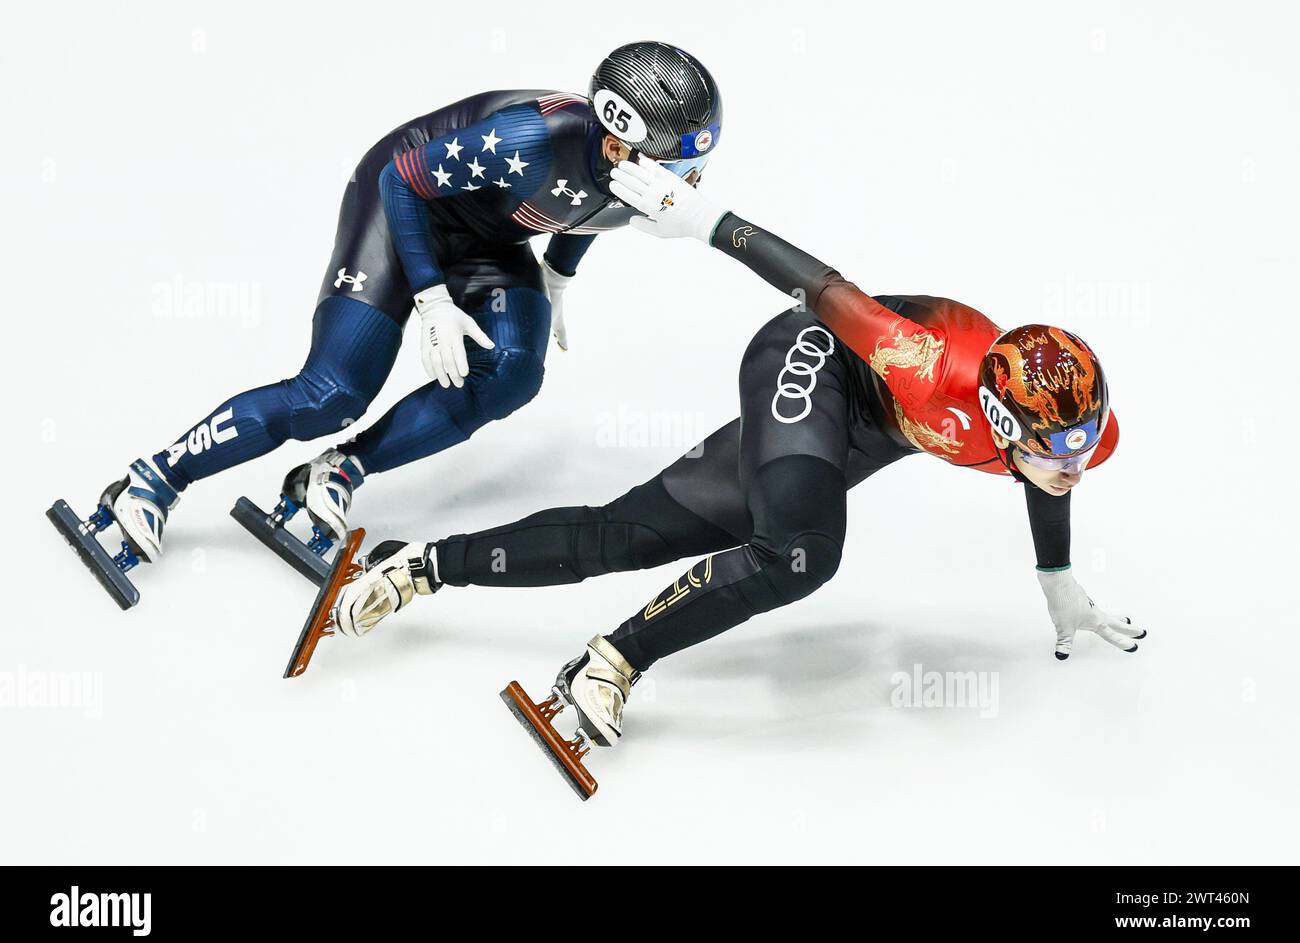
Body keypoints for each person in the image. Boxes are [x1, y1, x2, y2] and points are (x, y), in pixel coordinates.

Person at [325, 157, 1145, 752]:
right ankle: (610, 664)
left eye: (1081, 450)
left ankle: (419, 567)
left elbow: (1045, 475)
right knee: (800, 554)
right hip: (815, 357)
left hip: (862, 430)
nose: (1073, 466)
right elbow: (823, 288)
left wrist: (1056, 576)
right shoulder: (926, 363)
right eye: (1050, 450)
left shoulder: (1079, 433)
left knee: (628, 535)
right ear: (998, 419)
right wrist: (706, 222)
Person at [50, 43, 724, 605]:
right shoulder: (532, 135)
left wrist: (558, 275)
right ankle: (155, 477)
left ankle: (339, 471)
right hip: (402, 200)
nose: (686, 183)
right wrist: (431, 300)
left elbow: (591, 211)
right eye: (677, 167)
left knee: (514, 373)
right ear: (613, 141)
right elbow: (404, 180)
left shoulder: (634, 177)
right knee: (332, 394)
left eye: (696, 164)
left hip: (490, 235)